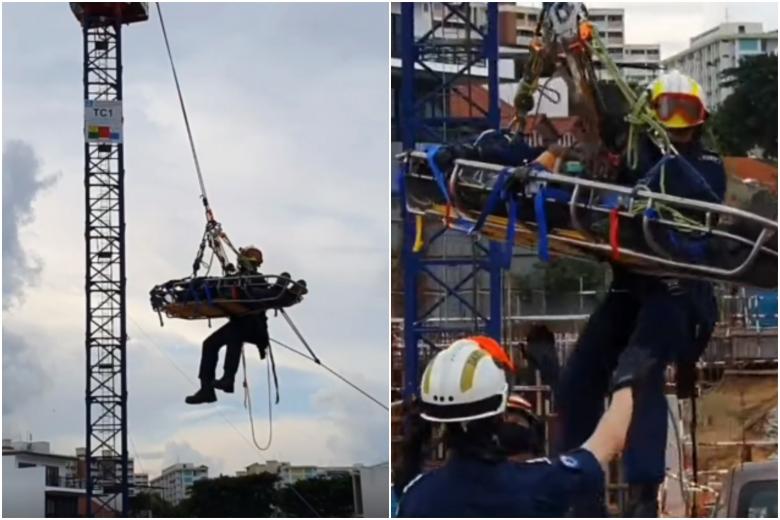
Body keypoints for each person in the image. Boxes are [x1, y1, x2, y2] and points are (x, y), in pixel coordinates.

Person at [555, 70, 724, 517]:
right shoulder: (632, 159)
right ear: (649, 114)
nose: (678, 123)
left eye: (686, 113)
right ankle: (575, 486)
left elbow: (671, 193)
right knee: (576, 382)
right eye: (668, 110)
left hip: (676, 294)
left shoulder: (702, 168)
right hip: (632, 287)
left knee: (636, 378)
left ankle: (642, 496)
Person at [396, 337, 643, 518]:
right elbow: (610, 439)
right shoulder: (537, 484)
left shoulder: (416, 497)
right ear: (499, 412)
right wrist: (629, 374)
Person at [185, 246, 271, 405]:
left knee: (235, 336)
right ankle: (206, 389)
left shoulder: (257, 279)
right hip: (240, 322)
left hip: (254, 325)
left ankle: (228, 378)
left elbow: (258, 298)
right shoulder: (238, 278)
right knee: (210, 344)